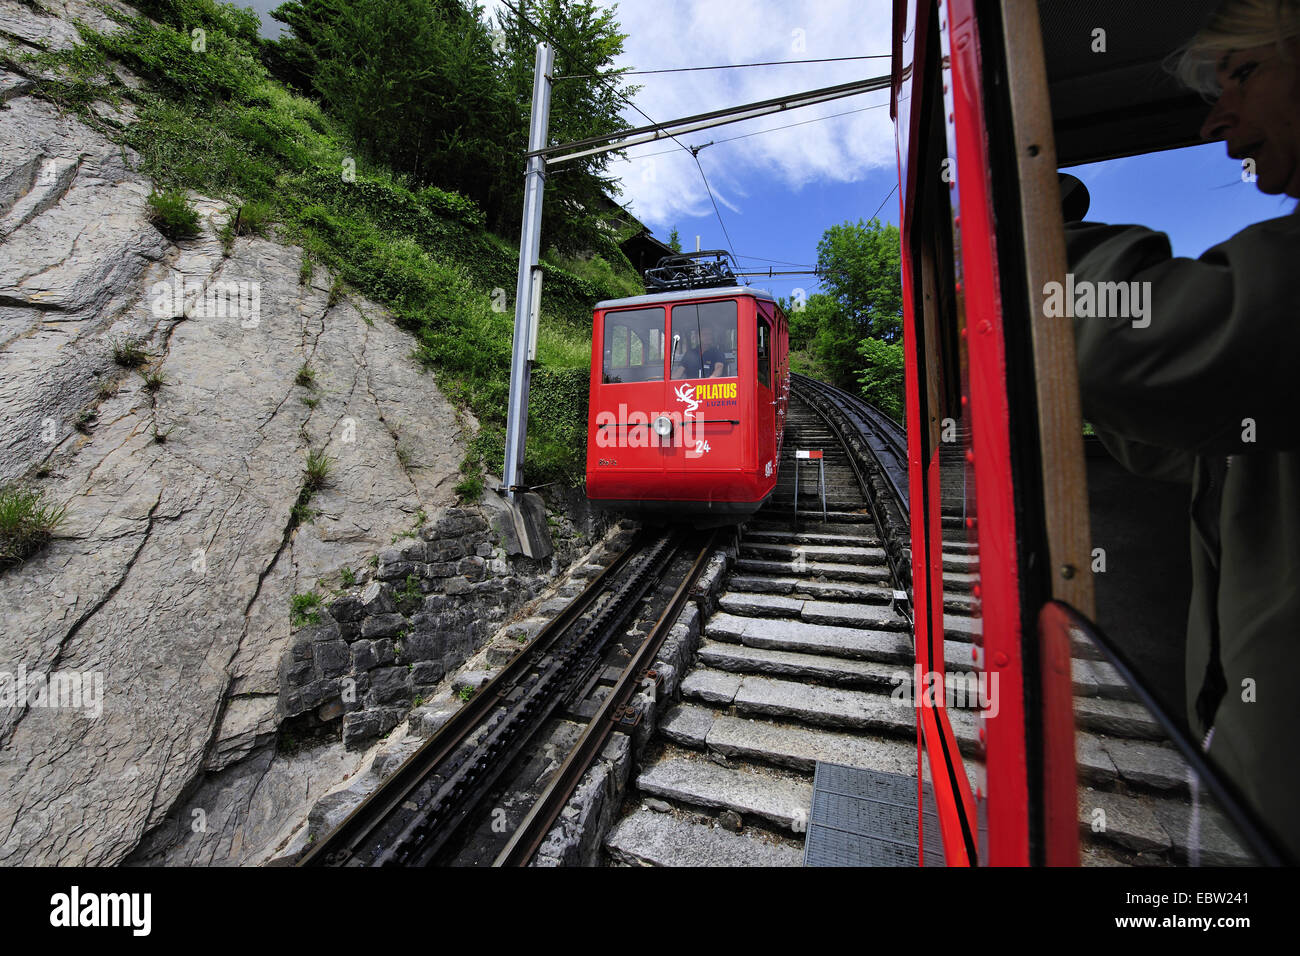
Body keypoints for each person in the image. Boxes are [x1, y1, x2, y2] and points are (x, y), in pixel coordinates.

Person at [1066, 0, 1300, 858]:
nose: (1218, 118)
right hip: (1246, 771)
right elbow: (1208, 454)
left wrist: (1027, 221)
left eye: (1243, 74)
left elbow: (1130, 348)